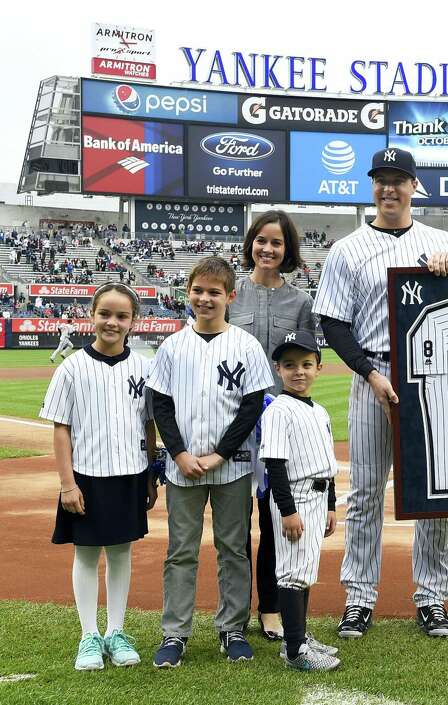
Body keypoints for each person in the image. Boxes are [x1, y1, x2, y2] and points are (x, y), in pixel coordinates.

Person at [313, 147, 448, 640]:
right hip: (373, 377)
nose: (389, 188)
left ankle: (431, 599)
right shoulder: (348, 249)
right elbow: (334, 323)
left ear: (413, 185)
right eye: (381, 179)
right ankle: (359, 598)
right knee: (363, 494)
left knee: (433, 494)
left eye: (398, 179)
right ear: (373, 186)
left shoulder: (442, 240)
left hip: (434, 379)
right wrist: (367, 373)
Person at [147, 257, 274, 668]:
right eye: (198, 290)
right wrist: (180, 453)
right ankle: (175, 633)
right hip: (182, 468)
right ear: (188, 293)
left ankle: (232, 628)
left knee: (233, 549)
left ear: (230, 296)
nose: (205, 298)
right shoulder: (172, 346)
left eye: (214, 292)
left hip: (232, 465)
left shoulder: (246, 345)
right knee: (180, 551)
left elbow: (252, 405)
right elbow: (161, 405)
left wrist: (219, 453)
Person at [40, 283, 159, 670]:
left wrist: (150, 475)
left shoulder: (143, 367)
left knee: (122, 552)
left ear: (133, 322)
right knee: (88, 555)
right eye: (105, 313)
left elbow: (148, 425)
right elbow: (61, 428)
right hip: (86, 476)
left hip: (129, 473)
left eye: (122, 316)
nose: (112, 322)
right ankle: (89, 634)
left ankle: (116, 631)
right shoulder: (72, 367)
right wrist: (67, 484)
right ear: (91, 315)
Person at [229, 209, 317, 643]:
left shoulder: (301, 303)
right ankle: (234, 613)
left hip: (278, 426)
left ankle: (270, 608)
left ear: (288, 251)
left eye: (276, 243)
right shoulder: (231, 294)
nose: (267, 249)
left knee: (272, 519)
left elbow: (303, 363)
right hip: (232, 425)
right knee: (234, 524)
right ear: (251, 244)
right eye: (261, 241)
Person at [259, 330, 341, 671]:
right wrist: (288, 511)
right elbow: (274, 465)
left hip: (318, 495)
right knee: (293, 573)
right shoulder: (278, 409)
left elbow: (327, 462)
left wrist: (332, 504)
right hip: (295, 496)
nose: (299, 372)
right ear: (278, 369)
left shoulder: (318, 410)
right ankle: (294, 650)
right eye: (290, 365)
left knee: (305, 571)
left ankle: (299, 636)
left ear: (319, 368)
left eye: (307, 364)